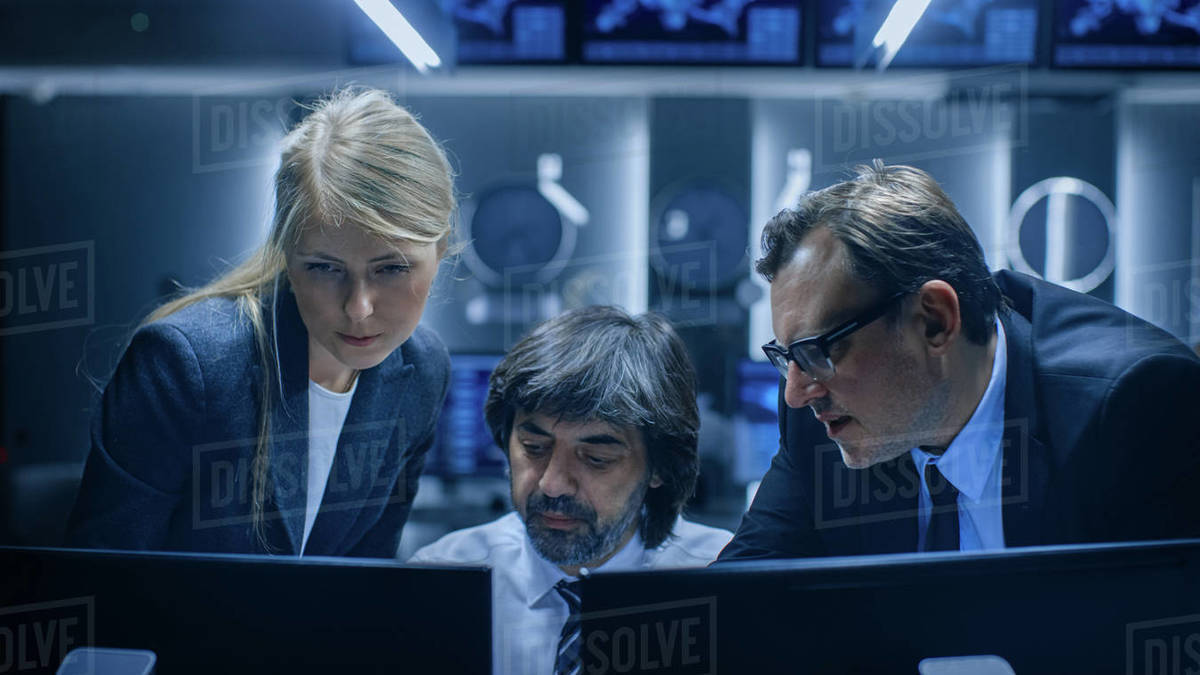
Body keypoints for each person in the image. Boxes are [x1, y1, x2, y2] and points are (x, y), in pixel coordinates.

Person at [719, 161, 1200, 561]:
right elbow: (737, 612)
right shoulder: (824, 427)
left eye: (818, 350)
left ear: (934, 321)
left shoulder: (1136, 406)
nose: (796, 392)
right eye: (787, 357)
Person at [66, 88, 455, 557]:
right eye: (325, 268)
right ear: (287, 255)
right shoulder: (186, 365)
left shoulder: (422, 370)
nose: (359, 307)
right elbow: (104, 578)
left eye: (391, 268)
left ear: (442, 248)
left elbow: (367, 583)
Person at [408, 306, 732, 675]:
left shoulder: (721, 581)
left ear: (659, 467)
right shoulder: (442, 577)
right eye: (534, 448)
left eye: (595, 458)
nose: (552, 483)